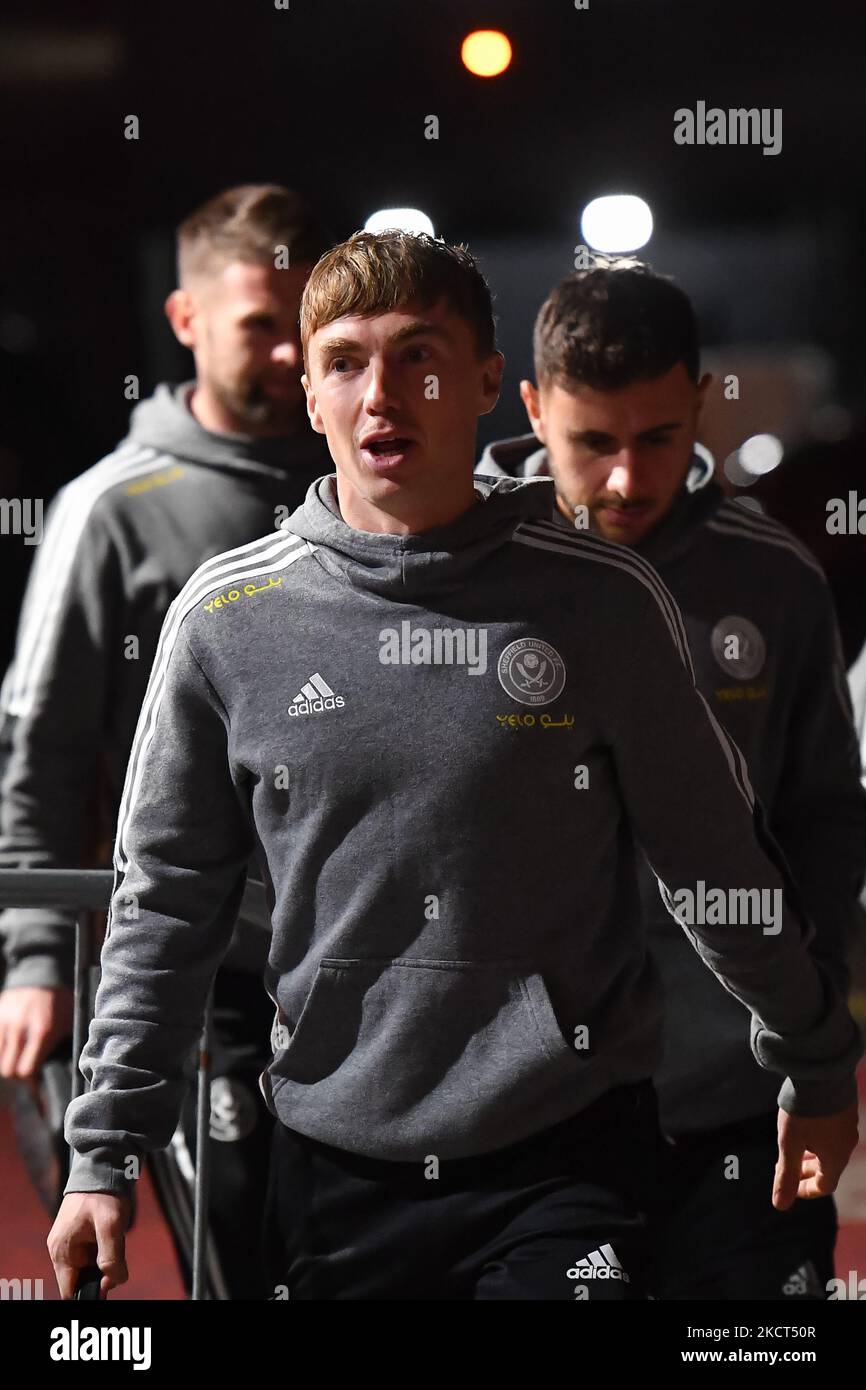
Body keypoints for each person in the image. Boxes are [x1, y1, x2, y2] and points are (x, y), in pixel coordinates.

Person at [48, 231, 861, 1303]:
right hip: (334, 1170)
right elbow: (164, 906)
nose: (381, 391)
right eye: (343, 360)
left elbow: (712, 858)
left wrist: (809, 1053)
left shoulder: (603, 603)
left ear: (484, 383)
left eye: (417, 357)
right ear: (310, 395)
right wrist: (104, 1149)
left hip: (562, 1160)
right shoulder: (227, 620)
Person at [477, 260, 866, 1300]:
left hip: (728, 1098)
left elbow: (824, 817)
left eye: (656, 439)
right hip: (519, 1111)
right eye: (590, 442)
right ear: (530, 408)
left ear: (700, 399)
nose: (623, 479)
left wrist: (818, 1046)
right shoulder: (457, 561)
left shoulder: (773, 578)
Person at [0, 183, 332, 1298]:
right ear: (185, 322)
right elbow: (38, 750)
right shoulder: (112, 510)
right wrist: (37, 959)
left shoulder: (372, 489)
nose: (290, 351)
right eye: (258, 323)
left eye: (305, 320)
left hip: (375, 970)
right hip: (213, 978)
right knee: (236, 1255)